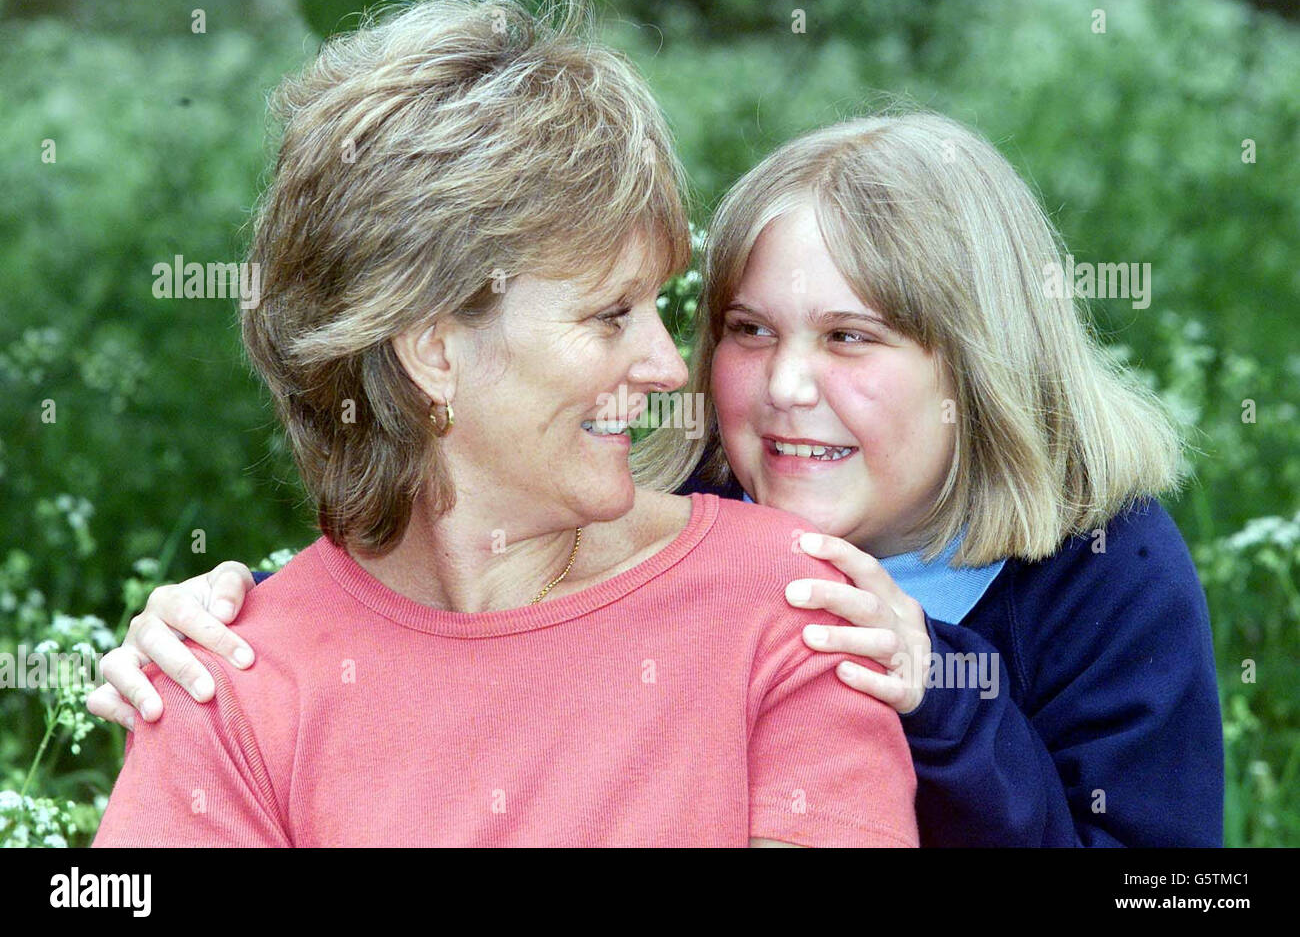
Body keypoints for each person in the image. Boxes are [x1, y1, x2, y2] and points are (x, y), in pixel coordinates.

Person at [89, 104, 1223, 845]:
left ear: (975, 367)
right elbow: (462, 567)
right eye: (742, 326)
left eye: (850, 337)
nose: (783, 385)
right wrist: (234, 628)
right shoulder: (709, 514)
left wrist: (939, 689)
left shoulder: (1103, 563)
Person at [89, 0, 919, 848]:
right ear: (434, 350)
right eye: (609, 315)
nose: (671, 368)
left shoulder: (792, 604)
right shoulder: (221, 678)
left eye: (655, 306)